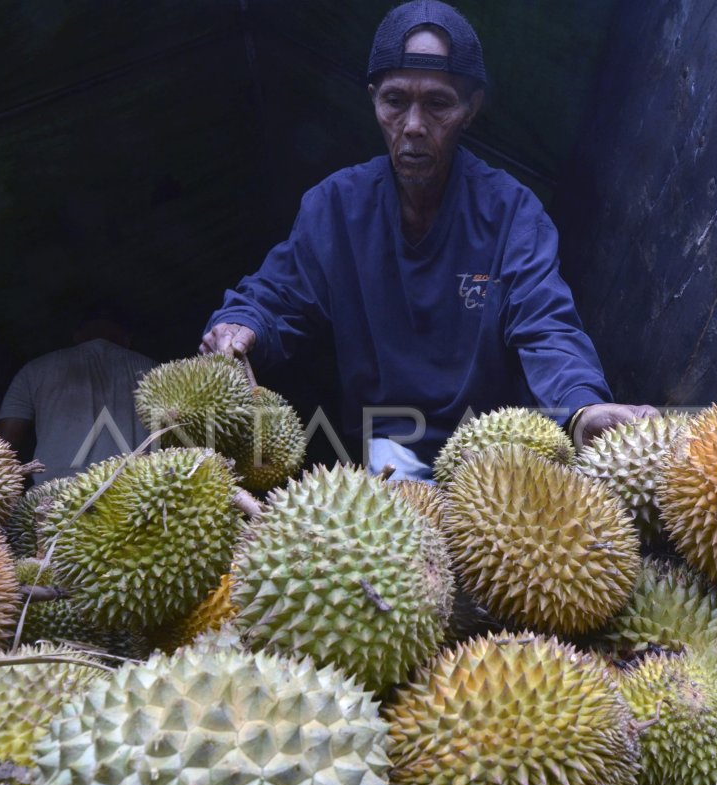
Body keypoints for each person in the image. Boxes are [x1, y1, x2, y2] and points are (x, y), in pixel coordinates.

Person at [201, 0, 655, 480]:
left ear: (470, 108)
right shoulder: (334, 207)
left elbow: (546, 326)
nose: (414, 126)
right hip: (382, 456)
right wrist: (240, 325)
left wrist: (582, 407)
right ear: (374, 100)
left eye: (438, 103)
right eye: (395, 102)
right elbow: (277, 297)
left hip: (489, 452)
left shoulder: (511, 212)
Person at [0, 301, 156, 484]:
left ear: (77, 336)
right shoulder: (152, 369)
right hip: (134, 497)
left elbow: (3, 445)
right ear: (128, 339)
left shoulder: (36, 369)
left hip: (54, 500)